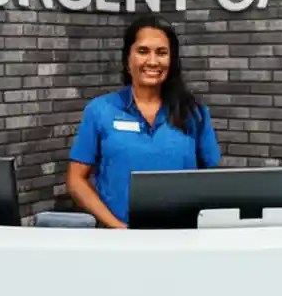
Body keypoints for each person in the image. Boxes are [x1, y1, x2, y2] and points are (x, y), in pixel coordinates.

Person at [67, 15, 221, 228]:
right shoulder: (100, 110)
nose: (152, 61)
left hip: (182, 238)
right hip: (118, 239)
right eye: (143, 51)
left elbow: (213, 181)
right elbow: (76, 180)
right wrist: (117, 228)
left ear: (172, 60)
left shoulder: (194, 113)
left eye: (162, 53)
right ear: (127, 59)